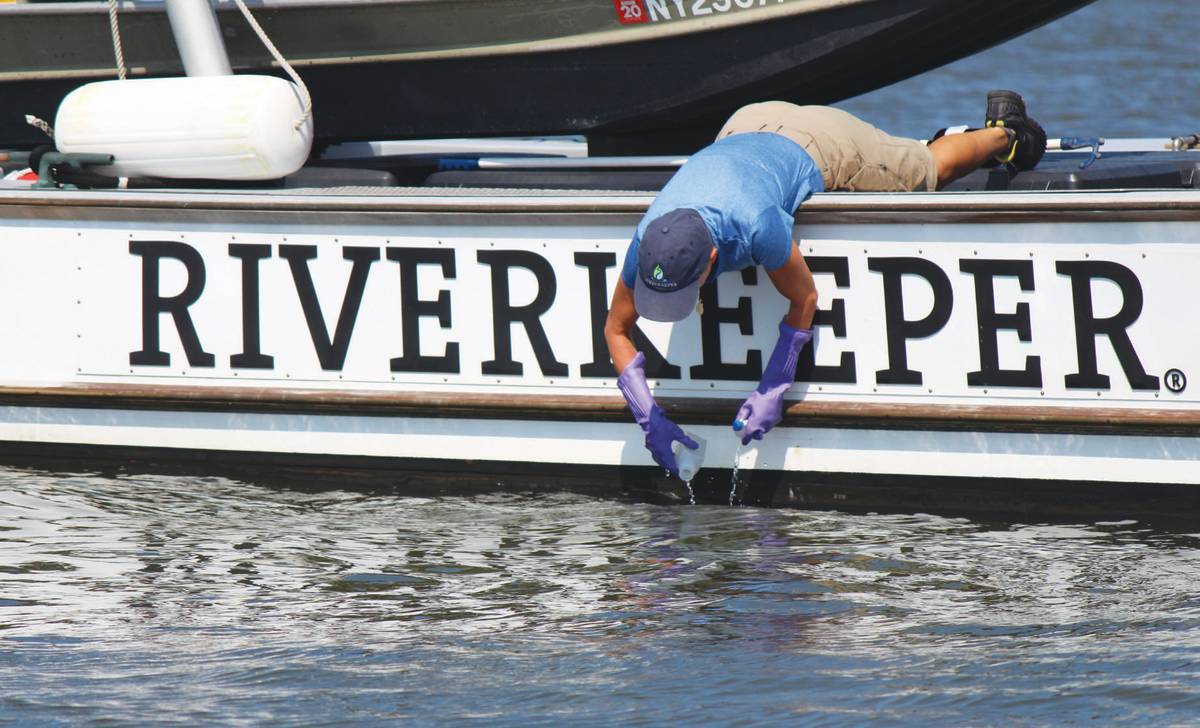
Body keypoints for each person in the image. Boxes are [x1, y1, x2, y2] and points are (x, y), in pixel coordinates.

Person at [604, 90, 1047, 476]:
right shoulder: (650, 239)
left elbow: (804, 297)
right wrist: (649, 419)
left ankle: (1006, 133)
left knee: (926, 171)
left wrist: (774, 385)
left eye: (687, 288)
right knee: (910, 158)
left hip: (817, 142)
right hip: (743, 126)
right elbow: (616, 328)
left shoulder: (757, 224)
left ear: (713, 258)